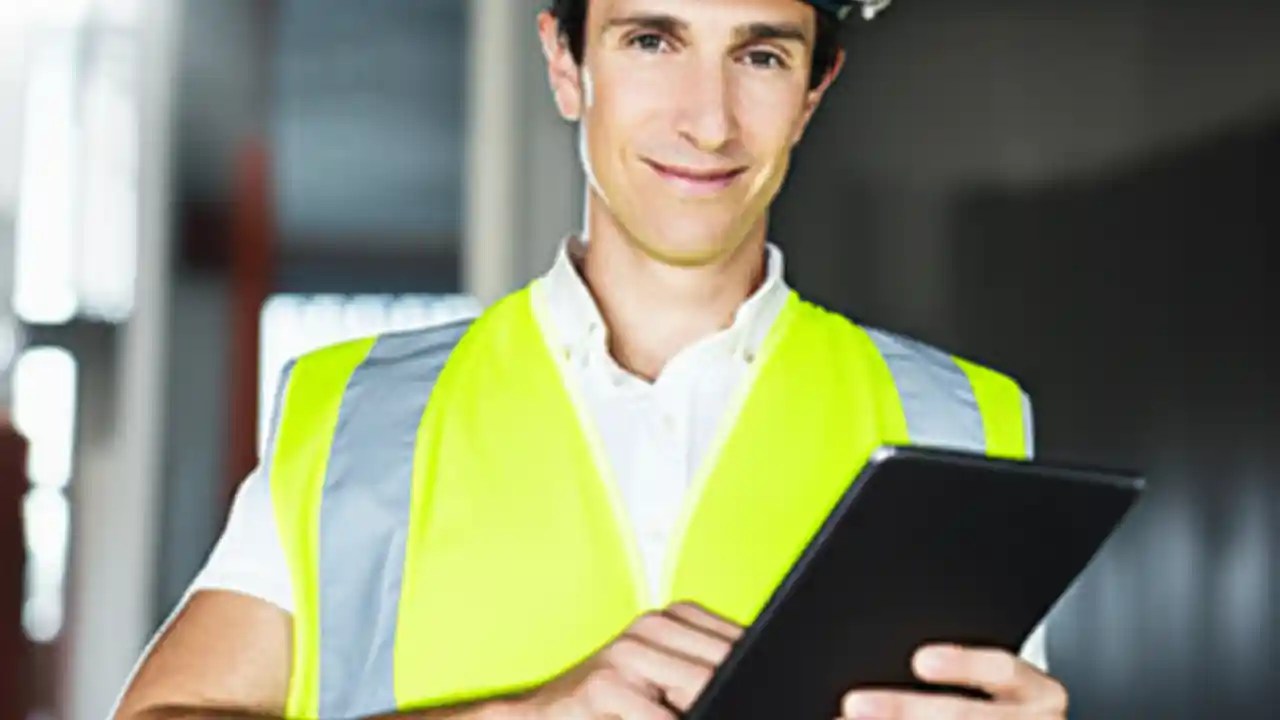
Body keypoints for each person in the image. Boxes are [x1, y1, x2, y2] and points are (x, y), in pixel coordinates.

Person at [115, 0, 1070, 718]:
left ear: (814, 90)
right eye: (652, 40)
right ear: (565, 64)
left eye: (762, 55)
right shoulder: (357, 415)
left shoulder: (960, 424)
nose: (709, 121)